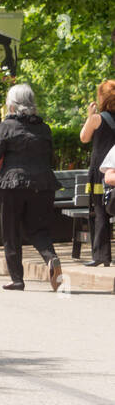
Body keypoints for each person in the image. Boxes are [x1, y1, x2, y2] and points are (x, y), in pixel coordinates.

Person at [0, 84, 62, 291]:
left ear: (12, 104)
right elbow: (50, 156)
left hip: (11, 185)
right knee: (38, 229)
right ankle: (51, 259)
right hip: (43, 184)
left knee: (10, 232)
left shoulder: (6, 126)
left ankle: (17, 279)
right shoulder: (44, 128)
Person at [79, 81, 115, 266]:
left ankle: (101, 256)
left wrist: (89, 115)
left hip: (100, 171)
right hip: (114, 171)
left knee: (100, 211)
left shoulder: (97, 119)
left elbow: (83, 138)